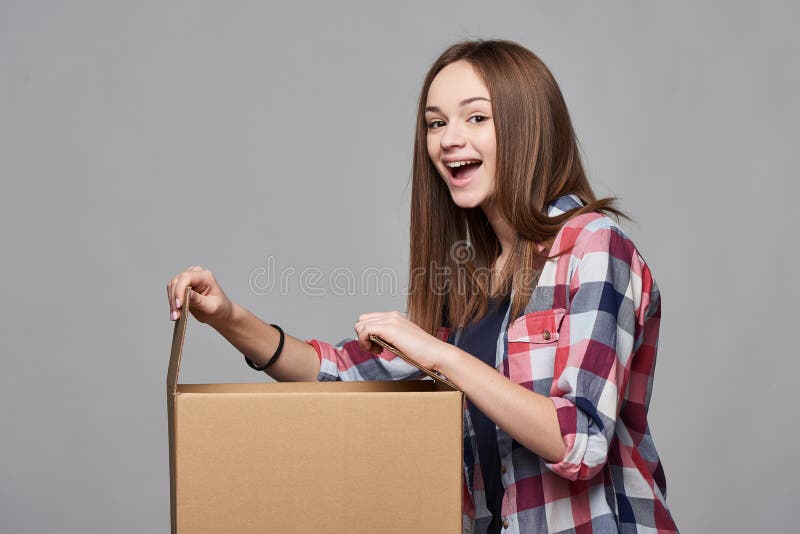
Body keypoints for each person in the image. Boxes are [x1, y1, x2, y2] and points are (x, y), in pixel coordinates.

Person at [166, 39, 678, 534]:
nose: (448, 139)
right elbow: (338, 374)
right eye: (436, 123)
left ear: (529, 128)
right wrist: (228, 317)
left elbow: (581, 441)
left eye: (476, 117)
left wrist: (439, 357)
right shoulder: (474, 281)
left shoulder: (592, 246)